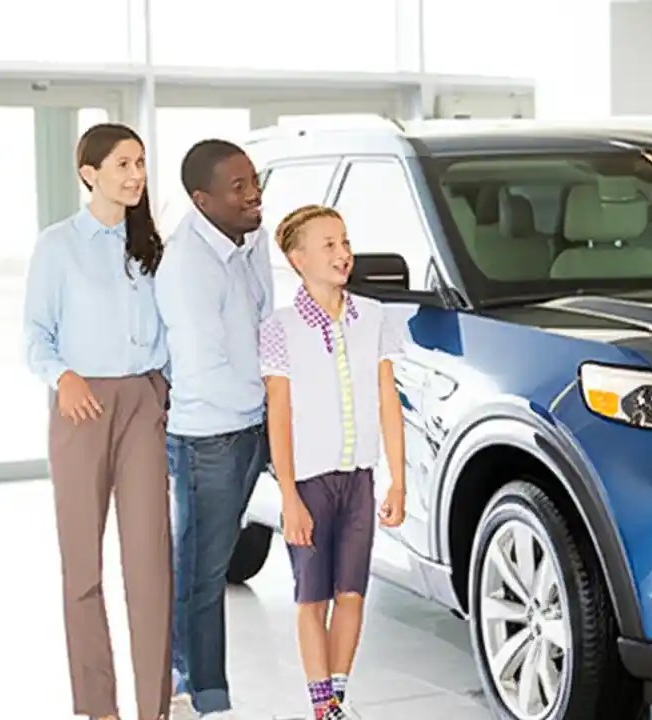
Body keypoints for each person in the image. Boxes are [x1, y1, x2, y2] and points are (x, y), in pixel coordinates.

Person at [22, 122, 172, 720]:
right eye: (123, 165)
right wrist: (63, 376)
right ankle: (99, 708)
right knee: (82, 563)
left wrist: (165, 391)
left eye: (140, 163)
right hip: (80, 406)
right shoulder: (57, 246)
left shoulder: (153, 245)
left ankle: (153, 709)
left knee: (149, 563)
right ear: (90, 173)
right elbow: (35, 334)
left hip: (144, 403)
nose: (136, 175)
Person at [258, 205, 408, 720]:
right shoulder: (279, 329)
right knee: (311, 597)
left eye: (345, 242)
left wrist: (398, 482)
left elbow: (389, 400)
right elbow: (278, 416)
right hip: (309, 483)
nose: (344, 253)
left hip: (360, 477)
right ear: (298, 259)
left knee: (352, 593)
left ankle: (335, 703)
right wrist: (289, 497)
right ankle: (321, 703)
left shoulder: (373, 317)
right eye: (329, 245)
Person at [155, 139, 273, 718]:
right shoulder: (184, 265)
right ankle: (201, 694)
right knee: (201, 575)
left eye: (255, 181)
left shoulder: (252, 239)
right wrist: (271, 398)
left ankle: (191, 682)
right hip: (209, 438)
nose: (253, 195)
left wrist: (277, 401)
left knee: (214, 560)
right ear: (202, 200)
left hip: (253, 422)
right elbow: (204, 369)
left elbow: (266, 324)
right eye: (238, 187)